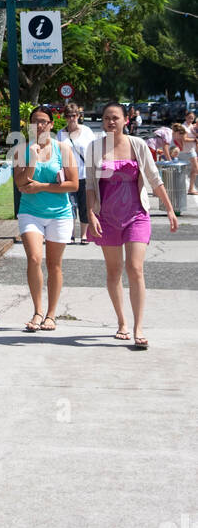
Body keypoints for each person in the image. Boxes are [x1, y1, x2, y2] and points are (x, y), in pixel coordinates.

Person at [86, 102, 178, 348]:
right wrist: (90, 214)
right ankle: (122, 322)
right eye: (106, 118)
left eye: (115, 117)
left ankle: (138, 327)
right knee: (114, 271)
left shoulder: (138, 146)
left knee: (135, 268)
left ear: (126, 120)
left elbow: (154, 178)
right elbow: (91, 186)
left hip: (136, 214)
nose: (110, 122)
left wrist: (169, 208)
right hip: (106, 216)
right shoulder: (95, 148)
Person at [13, 106, 79, 332]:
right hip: (30, 212)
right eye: (35, 121)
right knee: (33, 258)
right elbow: (21, 184)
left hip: (59, 214)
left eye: (43, 121)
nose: (39, 125)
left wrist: (41, 187)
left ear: (51, 124)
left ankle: (51, 314)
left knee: (54, 265)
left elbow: (73, 185)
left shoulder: (63, 150)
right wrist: (31, 158)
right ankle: (38, 311)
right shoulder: (22, 150)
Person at [56, 103, 95, 244]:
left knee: (84, 206)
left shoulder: (87, 132)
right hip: (68, 176)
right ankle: (70, 235)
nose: (71, 119)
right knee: (70, 206)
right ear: (65, 117)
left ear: (78, 116)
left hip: (85, 174)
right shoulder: (61, 134)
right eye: (68, 116)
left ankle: (84, 235)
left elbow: (93, 151)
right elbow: (58, 154)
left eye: (74, 115)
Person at [171, 123, 198, 195]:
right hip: (186, 152)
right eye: (189, 117)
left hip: (189, 150)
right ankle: (185, 188)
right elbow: (184, 139)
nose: (191, 119)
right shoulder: (183, 128)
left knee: (193, 170)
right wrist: (194, 140)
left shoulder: (192, 127)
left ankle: (189, 188)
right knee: (186, 170)